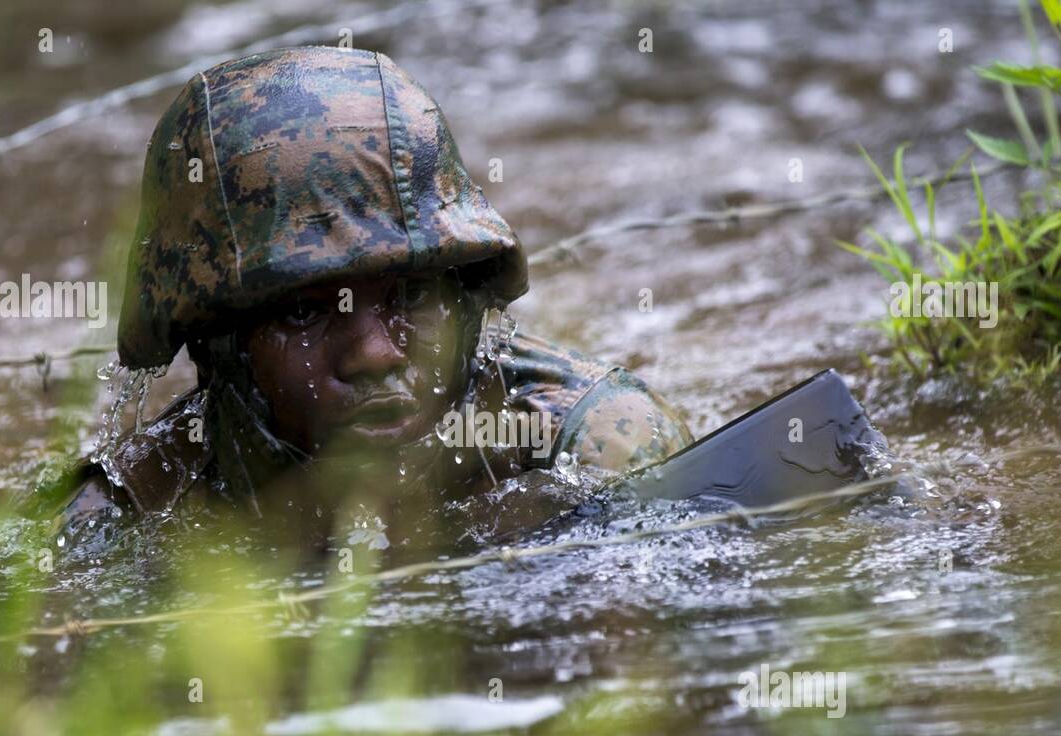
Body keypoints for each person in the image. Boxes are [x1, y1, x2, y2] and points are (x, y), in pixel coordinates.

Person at [55, 46, 691, 537]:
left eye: (411, 297)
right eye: (304, 312)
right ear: (217, 344)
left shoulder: (596, 449)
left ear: (465, 300)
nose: (376, 354)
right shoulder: (139, 502)